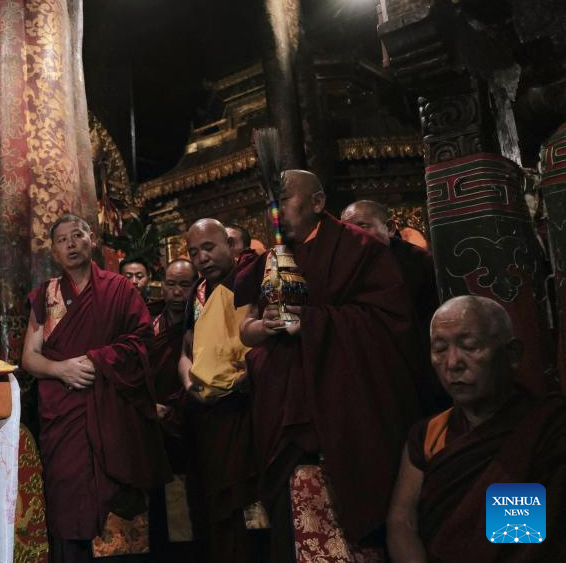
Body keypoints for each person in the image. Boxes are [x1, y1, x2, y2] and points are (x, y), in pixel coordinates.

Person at [235, 170, 420, 561]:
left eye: (283, 199)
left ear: (317, 203)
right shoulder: (274, 257)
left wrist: (314, 322)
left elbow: (388, 322)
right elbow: (246, 328)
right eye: (271, 201)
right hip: (286, 412)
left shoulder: (360, 249)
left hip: (344, 409)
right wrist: (264, 327)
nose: (275, 210)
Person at [22, 214, 170, 562]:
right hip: (66, 416)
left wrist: (96, 359)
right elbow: (29, 357)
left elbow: (141, 341)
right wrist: (61, 369)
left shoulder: (119, 289)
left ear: (92, 241)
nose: (71, 244)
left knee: (119, 505)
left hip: (113, 415)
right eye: (62, 240)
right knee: (70, 496)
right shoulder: (48, 295)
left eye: (78, 235)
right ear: (55, 252)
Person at [387, 296, 566, 563]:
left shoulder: (539, 428)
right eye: (440, 349)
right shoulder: (429, 434)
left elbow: (516, 537)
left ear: (512, 354)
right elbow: (402, 521)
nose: (452, 363)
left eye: (469, 346)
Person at [176, 219, 261, 561]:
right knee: (214, 506)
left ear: (229, 243)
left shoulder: (251, 279)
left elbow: (269, 331)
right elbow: (186, 347)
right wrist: (185, 375)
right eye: (195, 252)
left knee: (248, 506)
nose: (202, 258)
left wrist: (251, 372)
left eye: (209, 248)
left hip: (245, 409)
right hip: (206, 412)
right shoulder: (197, 294)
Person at [341, 200, 447, 412]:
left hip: (419, 365)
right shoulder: (346, 269)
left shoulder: (419, 263)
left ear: (389, 228)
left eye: (362, 226)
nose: (352, 236)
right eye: (346, 230)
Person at [146, 258, 198, 557]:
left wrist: (176, 407)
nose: (177, 291)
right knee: (159, 502)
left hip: (190, 419)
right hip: (152, 421)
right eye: (171, 283)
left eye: (185, 284)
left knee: (188, 497)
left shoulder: (202, 321)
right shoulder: (148, 322)